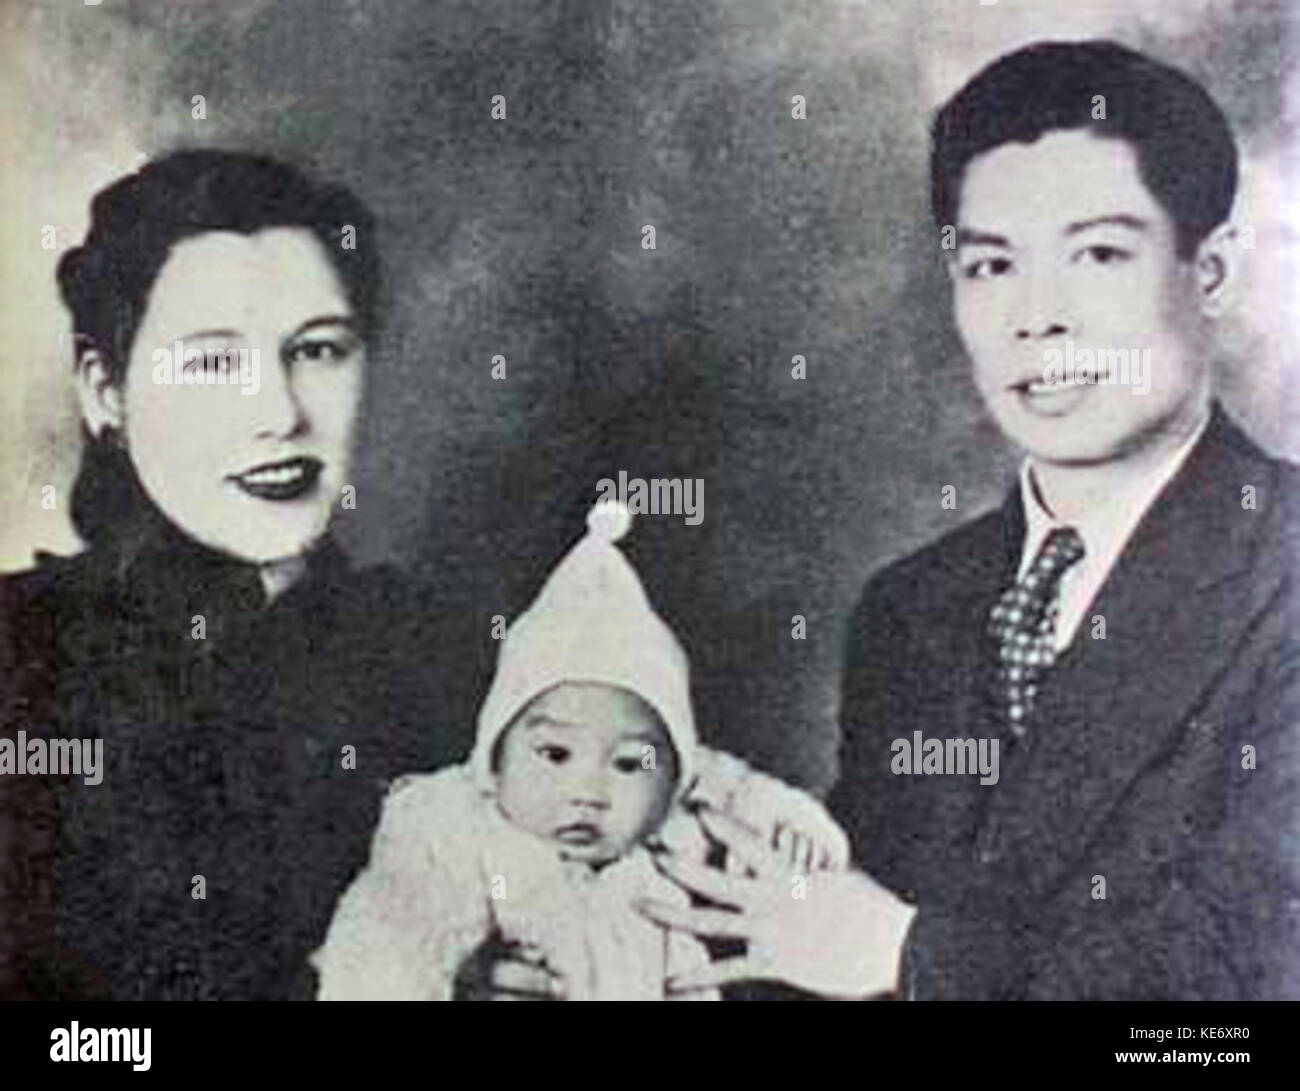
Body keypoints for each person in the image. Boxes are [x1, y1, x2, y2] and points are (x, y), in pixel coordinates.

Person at [639, 40, 1300, 1000]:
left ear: (1212, 271)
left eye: (1100, 254)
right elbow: (825, 941)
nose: (1039, 317)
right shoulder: (914, 607)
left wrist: (905, 958)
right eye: (993, 265)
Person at [0, 150, 480, 999]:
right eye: (213, 361)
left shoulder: (449, 659)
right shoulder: (20, 656)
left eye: (319, 350)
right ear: (105, 390)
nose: (282, 411)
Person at [313, 502, 848, 1000]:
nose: (588, 793)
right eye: (554, 755)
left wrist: (794, 834)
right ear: (495, 756)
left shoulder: (677, 818)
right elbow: (389, 938)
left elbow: (741, 792)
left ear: (674, 775)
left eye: (628, 763)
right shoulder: (454, 829)